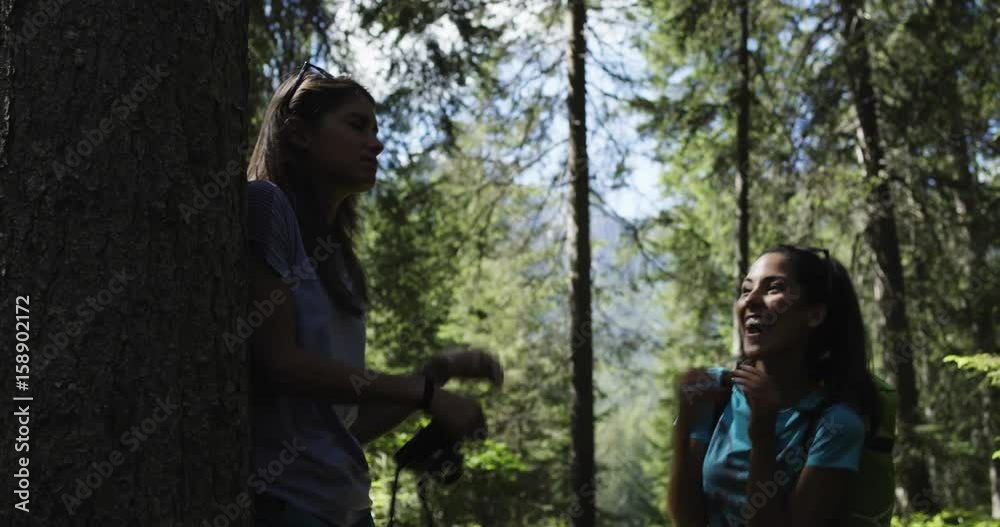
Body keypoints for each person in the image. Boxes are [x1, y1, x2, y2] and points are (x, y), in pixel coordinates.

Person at [245, 62, 504, 527]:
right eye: (356, 125)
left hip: (348, 509)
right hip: (284, 504)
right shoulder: (267, 205)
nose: (377, 143)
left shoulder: (340, 262)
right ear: (300, 134)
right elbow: (278, 363)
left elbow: (346, 426)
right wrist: (425, 393)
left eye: (376, 129)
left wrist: (436, 374)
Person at [667, 245, 882, 526]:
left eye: (774, 288)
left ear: (814, 315)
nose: (751, 300)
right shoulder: (716, 393)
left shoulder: (835, 424)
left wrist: (763, 437)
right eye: (746, 290)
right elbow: (688, 520)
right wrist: (685, 423)